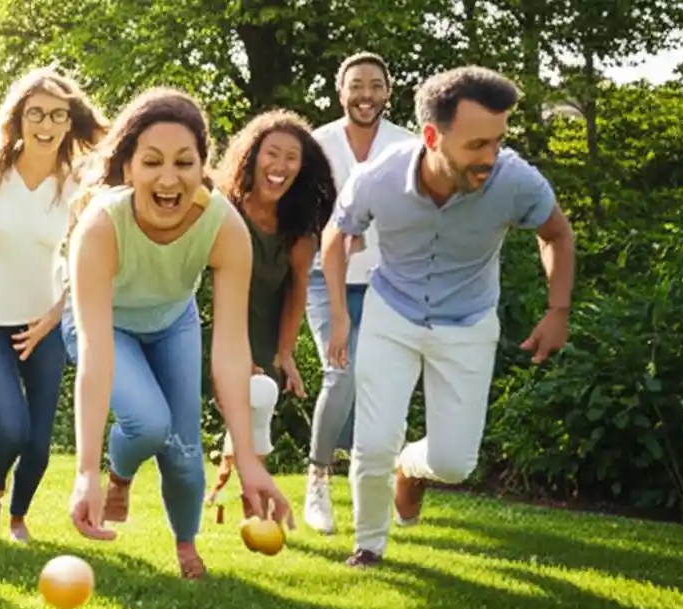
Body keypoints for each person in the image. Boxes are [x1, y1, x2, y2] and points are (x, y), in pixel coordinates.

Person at [322, 66, 575, 568]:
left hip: (468, 322)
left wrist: (558, 310)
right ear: (433, 136)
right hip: (392, 313)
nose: (491, 157)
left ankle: (411, 470)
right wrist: (340, 314)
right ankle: (369, 545)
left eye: (497, 141)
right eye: (477, 144)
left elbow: (557, 235)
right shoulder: (378, 178)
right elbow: (335, 237)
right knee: (371, 442)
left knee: (456, 464)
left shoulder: (515, 181)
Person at [64, 88, 294, 579]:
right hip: (106, 325)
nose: (168, 179)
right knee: (148, 423)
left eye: (184, 162)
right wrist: (85, 472)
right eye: (152, 162)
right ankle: (116, 472)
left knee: (186, 453)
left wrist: (249, 459)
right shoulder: (101, 226)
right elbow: (95, 352)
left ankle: (186, 545)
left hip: (172, 321)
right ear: (128, 168)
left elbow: (232, 351)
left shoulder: (224, 227)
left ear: (203, 166)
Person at [0, 68, 107, 543]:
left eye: (57, 115)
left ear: (69, 123)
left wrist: (56, 314)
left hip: (43, 324)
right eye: (36, 114)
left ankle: (17, 519)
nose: (46, 124)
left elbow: (88, 260)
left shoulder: (78, 186)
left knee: (39, 444)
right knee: (9, 428)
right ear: (18, 119)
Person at [304, 52, 417, 534]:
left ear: (388, 93)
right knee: (341, 373)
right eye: (356, 86)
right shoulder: (317, 144)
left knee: (378, 384)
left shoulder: (408, 145)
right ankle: (317, 478)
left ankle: (383, 475)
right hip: (322, 276)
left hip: (386, 280)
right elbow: (304, 209)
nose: (365, 95)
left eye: (375, 85)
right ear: (340, 91)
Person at [206, 109, 337, 518]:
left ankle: (241, 486)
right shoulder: (221, 206)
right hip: (209, 325)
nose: (280, 167)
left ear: (302, 167)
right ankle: (246, 491)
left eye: (291, 158)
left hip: (260, 328)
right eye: (271, 154)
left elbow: (298, 291)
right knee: (248, 399)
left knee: (260, 396)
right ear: (252, 155)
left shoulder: (298, 230)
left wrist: (284, 352)